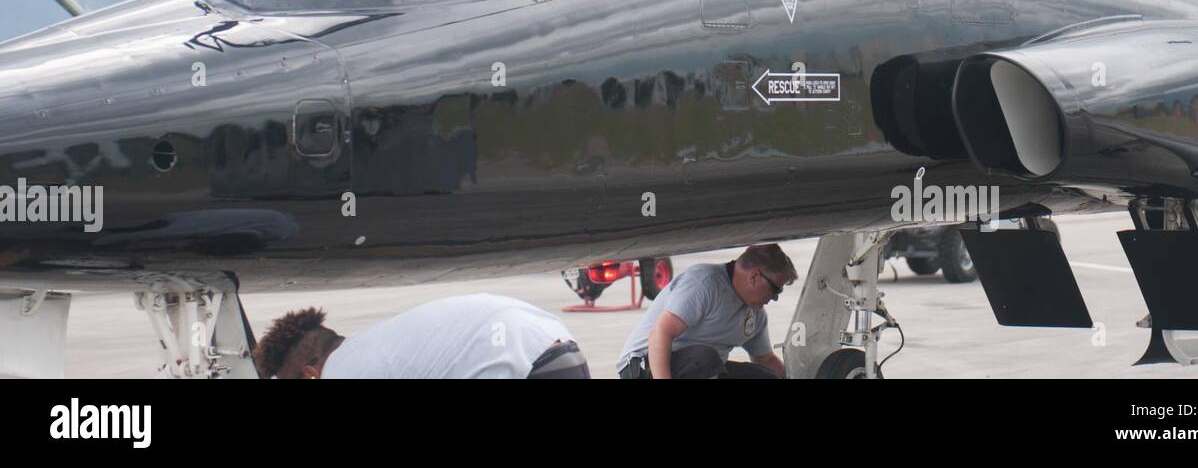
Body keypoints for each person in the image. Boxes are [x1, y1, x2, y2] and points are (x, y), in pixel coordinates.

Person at [253, 293, 590, 379]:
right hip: (554, 346)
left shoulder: (343, 372)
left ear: (311, 373)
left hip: (526, 363)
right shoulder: (371, 350)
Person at [616, 243, 798, 379]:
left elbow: (765, 359)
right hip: (644, 366)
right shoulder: (703, 284)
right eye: (776, 289)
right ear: (754, 277)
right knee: (705, 358)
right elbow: (660, 334)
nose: (775, 298)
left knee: (765, 376)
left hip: (702, 369)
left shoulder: (755, 314)